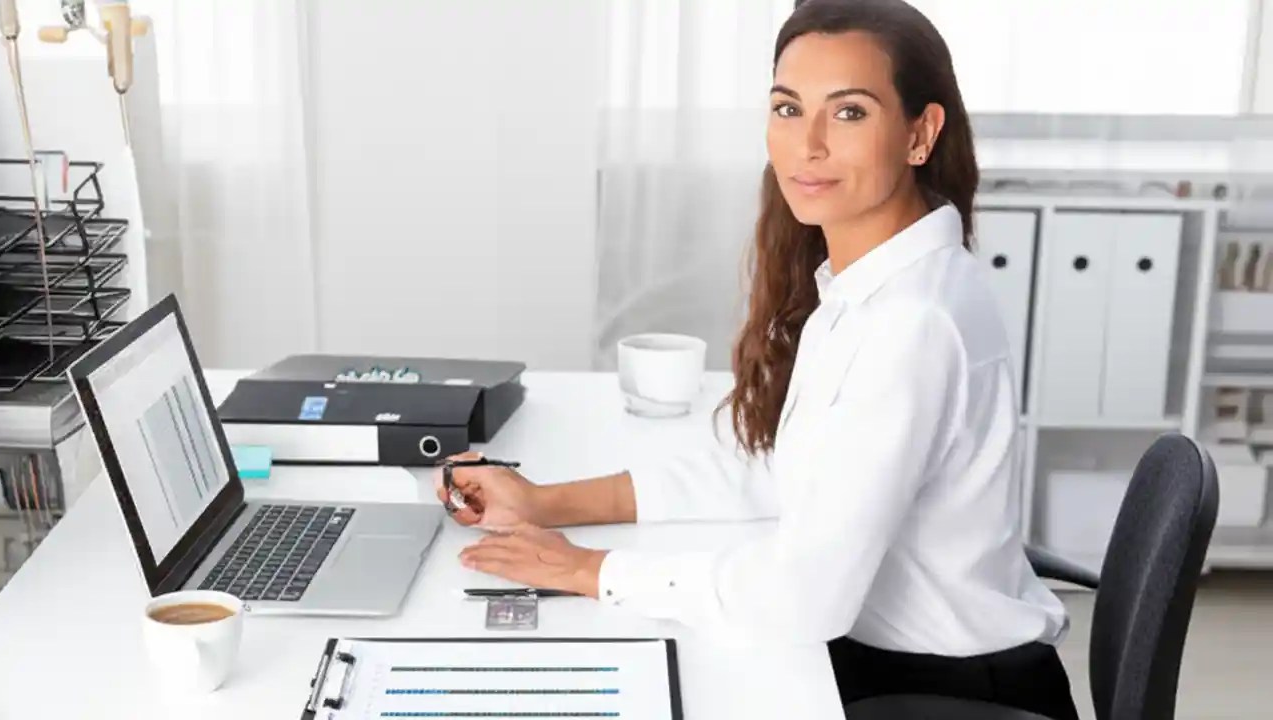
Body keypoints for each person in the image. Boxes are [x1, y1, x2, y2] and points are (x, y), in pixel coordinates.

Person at [440, 0, 1077, 716]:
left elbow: (808, 595)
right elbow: (779, 472)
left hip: (944, 695)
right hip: (894, 663)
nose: (806, 145)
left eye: (849, 113)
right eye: (786, 107)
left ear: (920, 133)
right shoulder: (871, 286)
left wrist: (591, 571)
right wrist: (548, 503)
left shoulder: (913, 323)